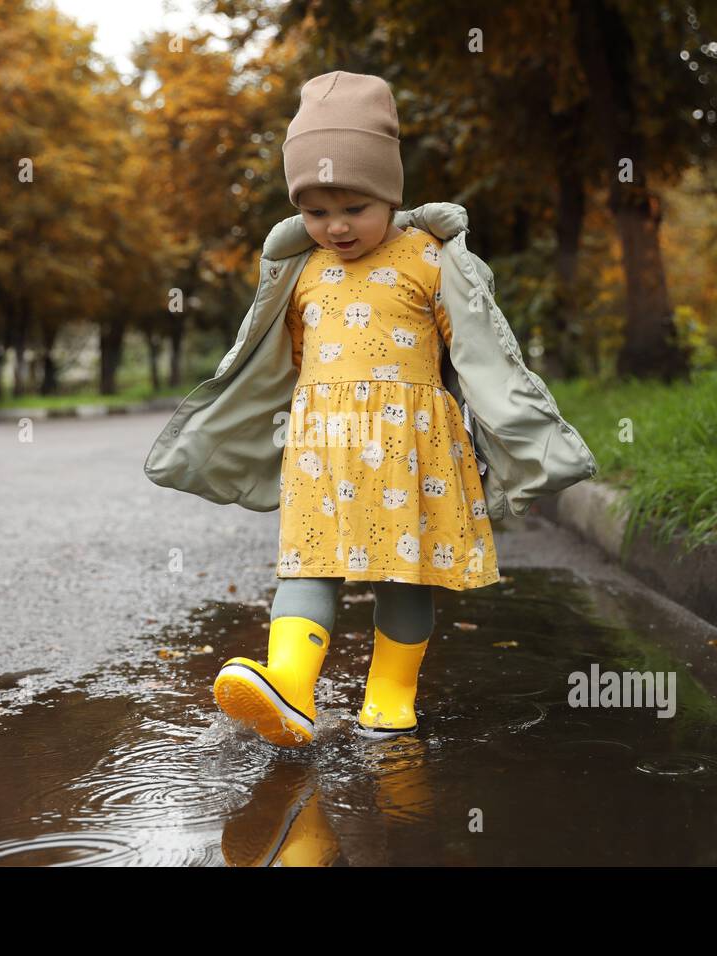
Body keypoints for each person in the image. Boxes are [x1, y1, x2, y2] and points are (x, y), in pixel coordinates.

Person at [211, 71, 500, 747]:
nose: (334, 226)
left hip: (409, 449)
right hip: (323, 448)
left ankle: (390, 696)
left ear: (390, 194)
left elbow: (479, 349)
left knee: (403, 573)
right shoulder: (303, 269)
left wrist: (501, 431)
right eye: (315, 211)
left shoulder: (427, 258)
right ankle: (289, 685)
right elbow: (284, 360)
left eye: (354, 207)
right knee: (309, 562)